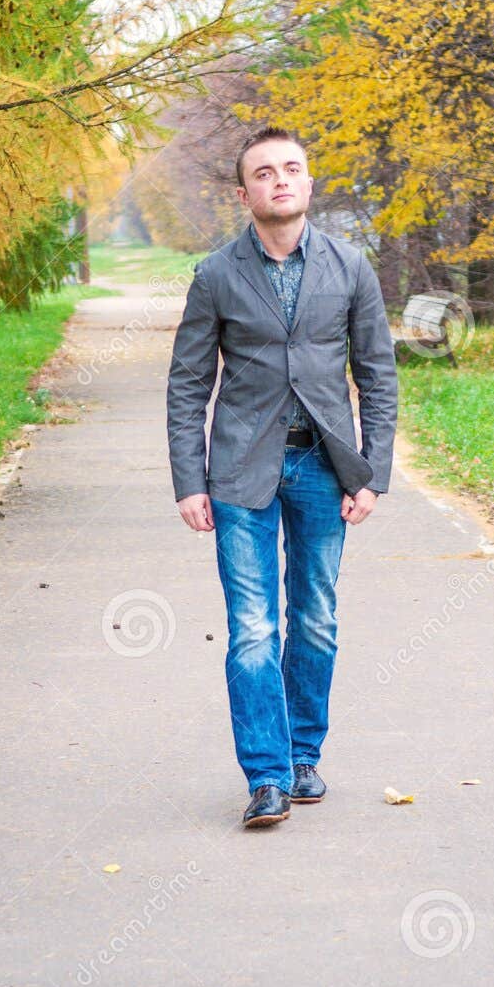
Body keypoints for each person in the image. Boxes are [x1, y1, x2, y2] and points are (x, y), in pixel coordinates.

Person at [166, 126, 398, 828]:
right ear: (245, 193)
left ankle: (302, 758)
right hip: (240, 471)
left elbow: (377, 373)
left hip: (325, 469)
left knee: (316, 619)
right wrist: (189, 480)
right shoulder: (215, 275)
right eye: (263, 173)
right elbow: (187, 383)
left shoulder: (350, 266)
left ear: (308, 182)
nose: (279, 180)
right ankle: (264, 777)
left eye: (290, 169)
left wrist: (372, 472)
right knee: (252, 628)